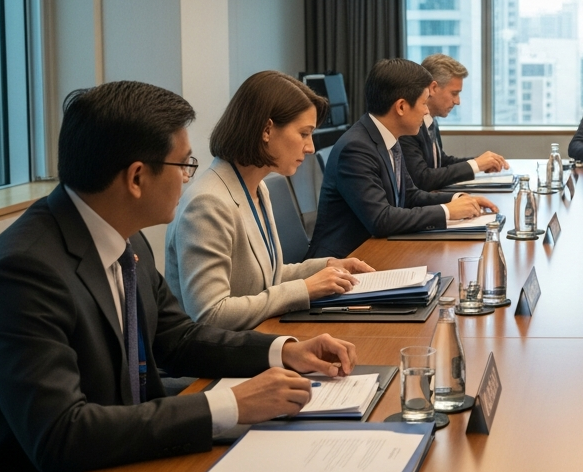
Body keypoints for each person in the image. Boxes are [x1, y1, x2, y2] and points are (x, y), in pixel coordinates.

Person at [0, 81, 358, 472]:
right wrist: (228, 404)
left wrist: (285, 351)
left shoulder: (127, 239)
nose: (190, 178)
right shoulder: (21, 273)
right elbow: (60, 435)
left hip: (114, 454)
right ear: (136, 177)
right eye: (183, 164)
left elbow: (178, 339)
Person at [165, 71, 375, 331]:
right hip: (212, 363)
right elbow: (211, 315)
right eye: (304, 133)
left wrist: (327, 266)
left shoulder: (258, 187)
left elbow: (265, 278)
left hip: (254, 338)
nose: (310, 147)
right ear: (267, 130)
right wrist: (304, 289)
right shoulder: (208, 203)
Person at [307, 58, 498, 259]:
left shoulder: (388, 137)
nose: (426, 111)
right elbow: (381, 219)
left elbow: (410, 195)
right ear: (401, 107)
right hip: (342, 262)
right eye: (424, 103)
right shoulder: (356, 148)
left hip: (373, 251)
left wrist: (457, 199)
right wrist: (447, 212)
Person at [401, 54, 507, 191]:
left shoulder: (431, 121)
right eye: (454, 93)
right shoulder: (409, 125)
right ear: (433, 88)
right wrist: (476, 164)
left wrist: (480, 163)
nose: (458, 101)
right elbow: (421, 178)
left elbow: (441, 163)